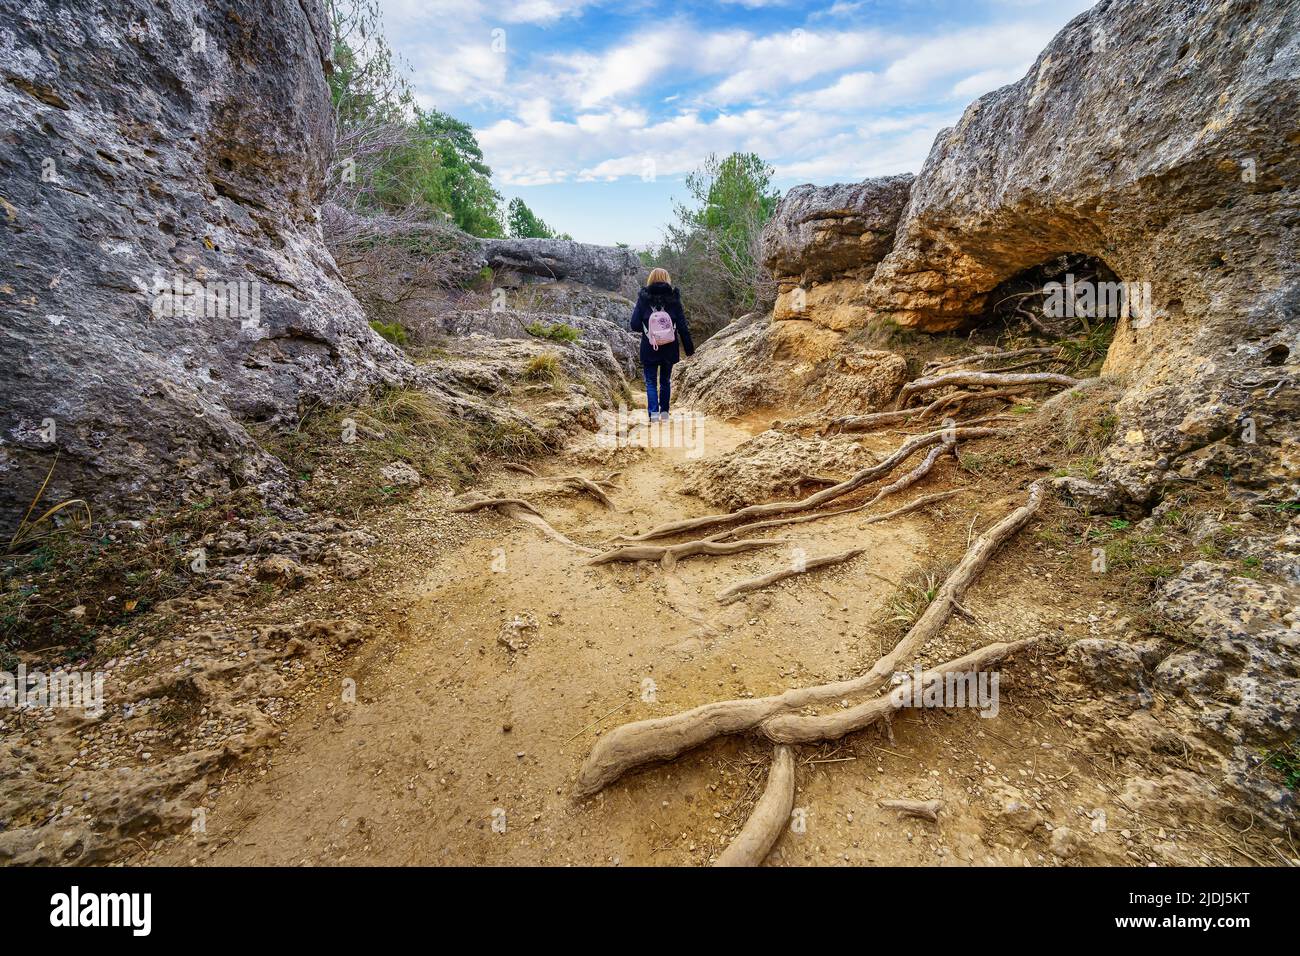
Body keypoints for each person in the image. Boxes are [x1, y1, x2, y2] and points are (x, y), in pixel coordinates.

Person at [630, 267, 694, 422]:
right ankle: (664, 414)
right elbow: (683, 327)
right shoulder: (673, 298)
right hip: (669, 348)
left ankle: (653, 415)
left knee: (651, 382)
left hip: (650, 347)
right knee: (665, 381)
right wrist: (689, 350)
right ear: (667, 279)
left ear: (650, 279)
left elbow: (634, 325)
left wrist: (650, 329)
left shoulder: (643, 298)